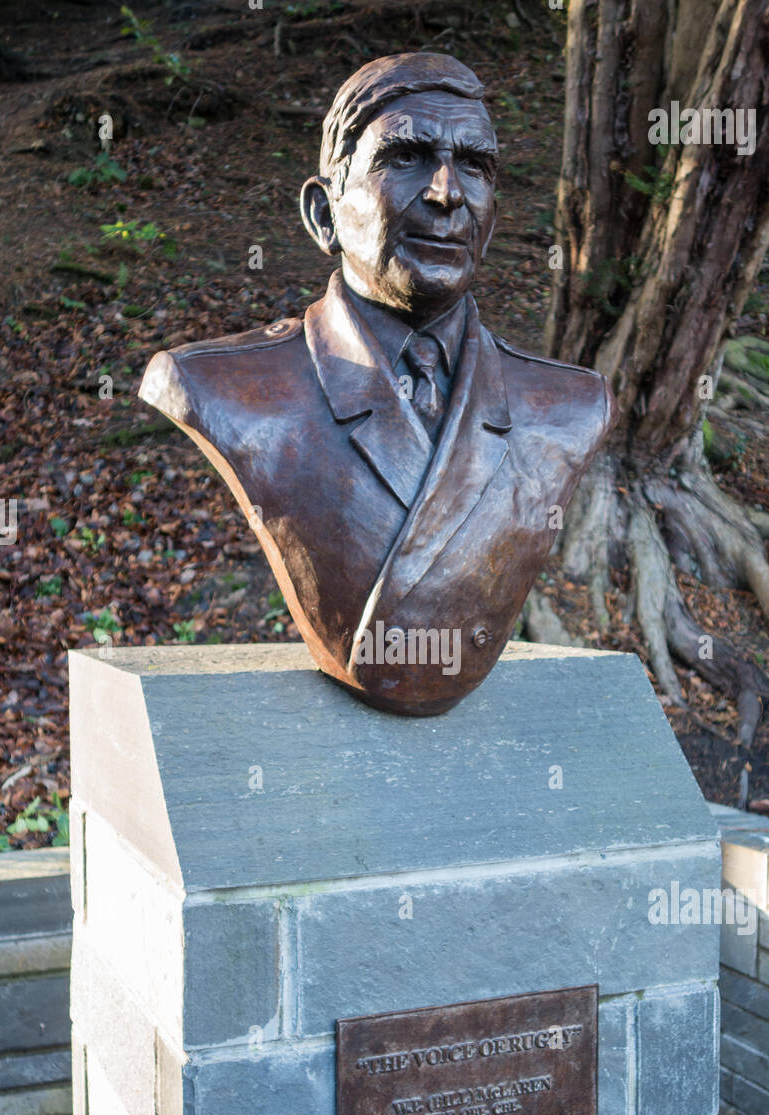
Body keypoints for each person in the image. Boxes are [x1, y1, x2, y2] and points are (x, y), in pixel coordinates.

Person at [140, 52, 617, 716]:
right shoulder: (222, 390)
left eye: (474, 167)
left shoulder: (569, 406)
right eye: (406, 158)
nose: (447, 192)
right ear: (323, 214)